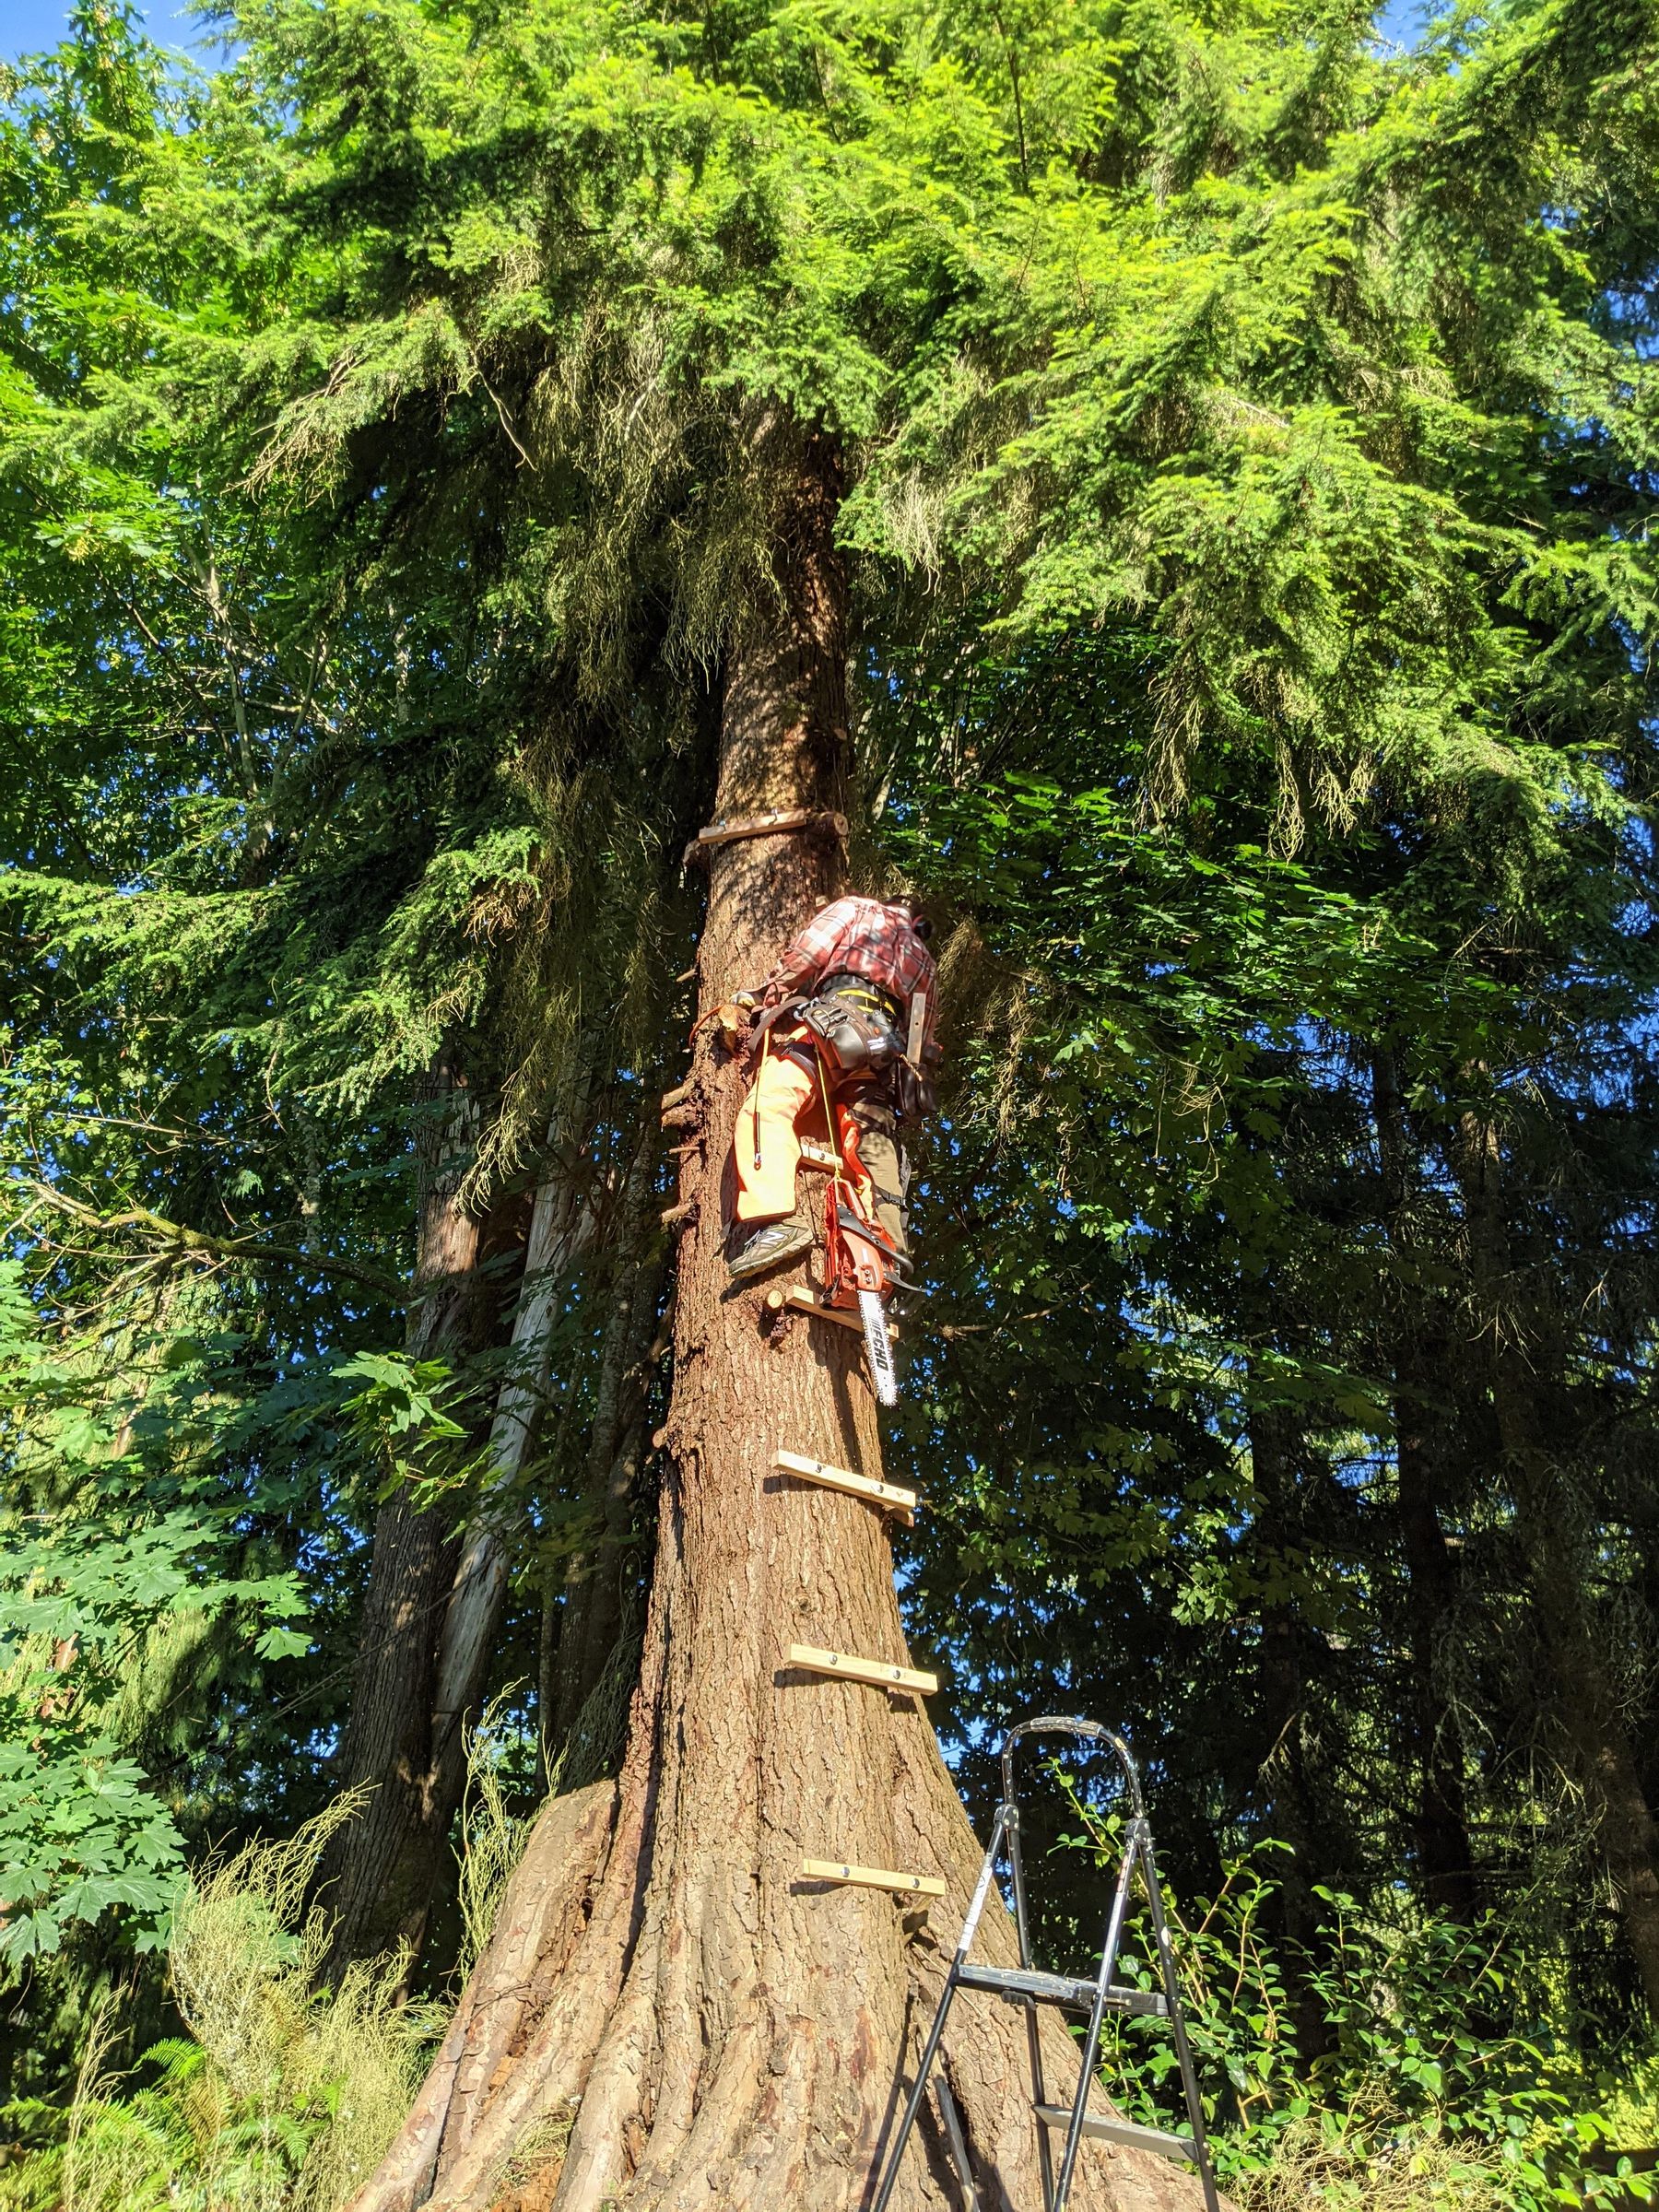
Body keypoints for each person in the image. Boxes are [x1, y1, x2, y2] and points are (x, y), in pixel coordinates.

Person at [725, 894, 939, 1280]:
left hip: (837, 1027)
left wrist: (765, 994)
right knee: (876, 1146)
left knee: (770, 1102)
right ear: (917, 920)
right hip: (882, 1055)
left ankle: (774, 1218)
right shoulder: (924, 959)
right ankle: (889, 1253)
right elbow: (922, 1037)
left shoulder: (860, 909)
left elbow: (809, 953)